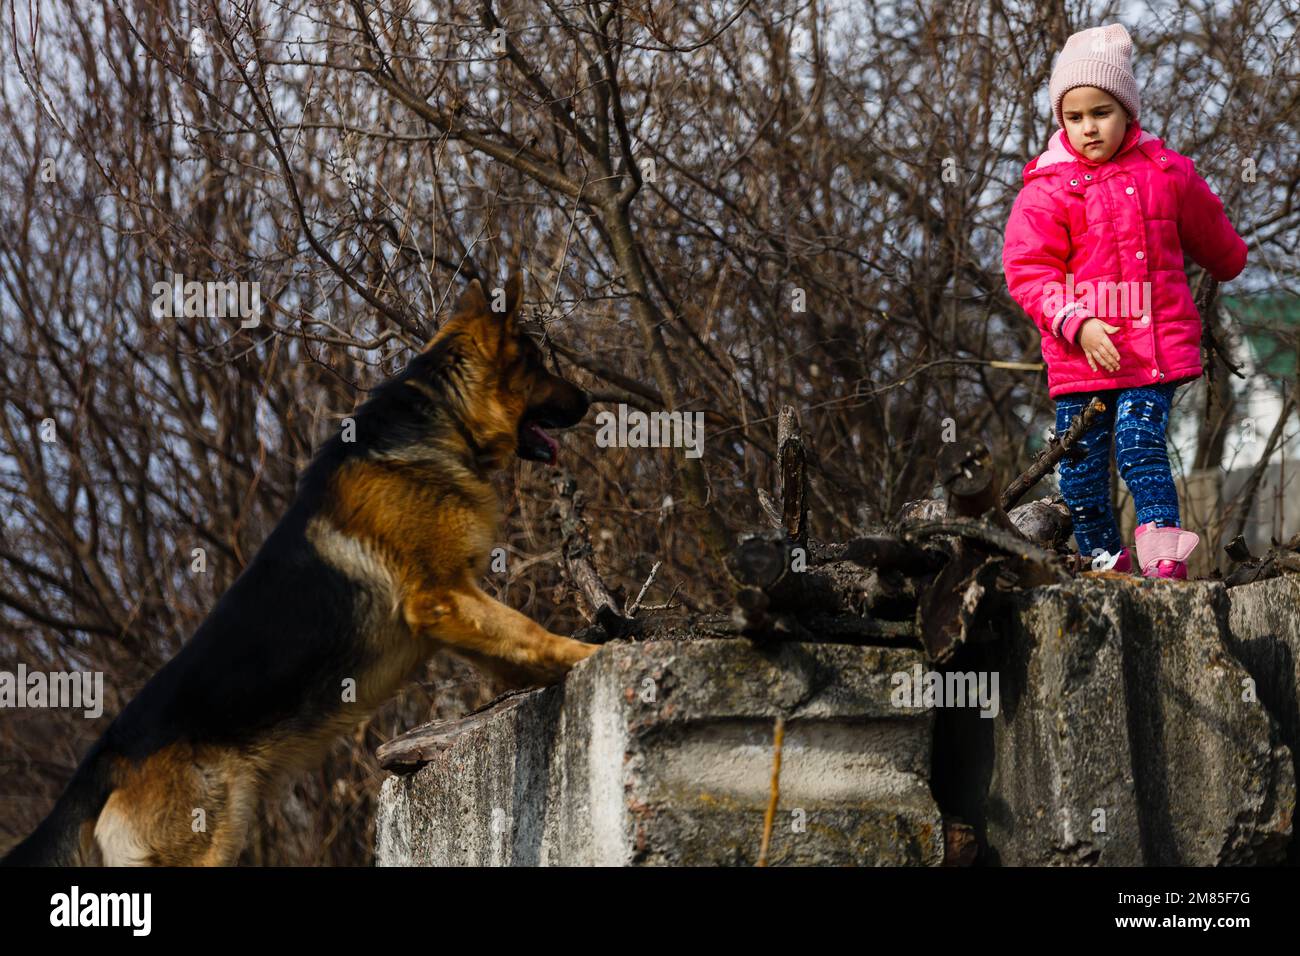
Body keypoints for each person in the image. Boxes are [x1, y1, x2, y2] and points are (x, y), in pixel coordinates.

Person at [1003, 23, 1248, 578]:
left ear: (1127, 110)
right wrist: (1077, 323)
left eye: (1101, 112)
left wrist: (1229, 258)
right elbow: (1028, 270)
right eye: (1075, 116)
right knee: (1082, 472)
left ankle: (1164, 562)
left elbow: (1208, 225)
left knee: (1139, 445)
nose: (1088, 127)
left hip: (1147, 355)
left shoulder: (1164, 172)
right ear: (1061, 120)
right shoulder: (1047, 189)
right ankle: (1106, 565)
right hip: (1079, 358)